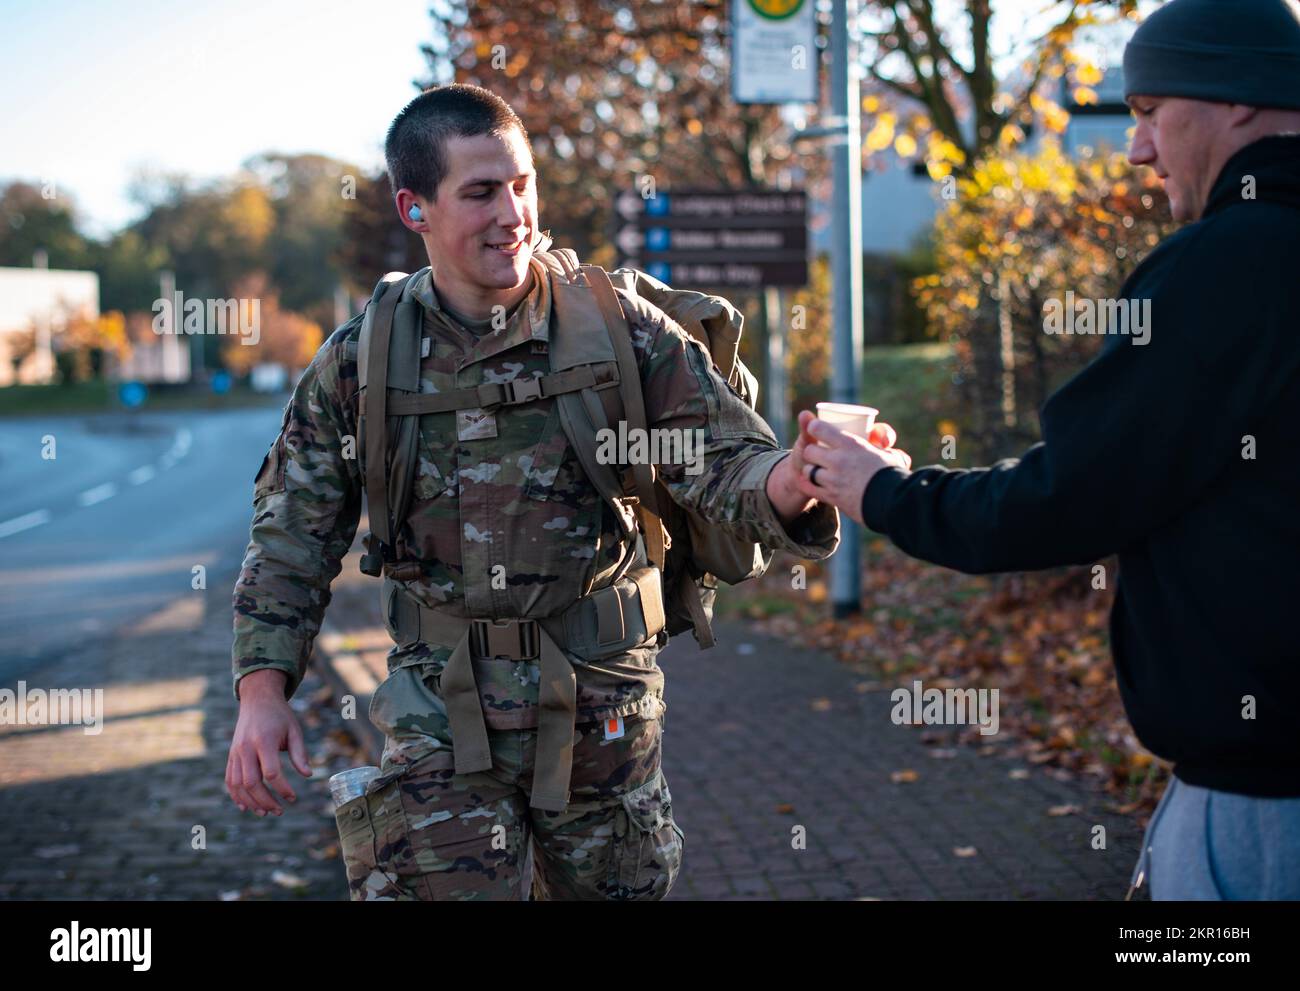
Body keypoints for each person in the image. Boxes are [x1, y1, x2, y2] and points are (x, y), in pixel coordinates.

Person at [225, 83, 842, 900]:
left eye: (521, 185)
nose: (512, 213)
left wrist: (792, 480)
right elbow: (291, 538)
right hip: (437, 712)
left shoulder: (617, 329)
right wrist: (262, 694)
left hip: (603, 709)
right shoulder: (361, 358)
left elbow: (721, 460)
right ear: (416, 209)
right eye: (481, 192)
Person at [796, 0, 1300, 900]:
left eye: (1148, 112)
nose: (1137, 149)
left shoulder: (1232, 265)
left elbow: (1068, 496)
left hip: (1261, 810)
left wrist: (885, 492)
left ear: (1237, 99)